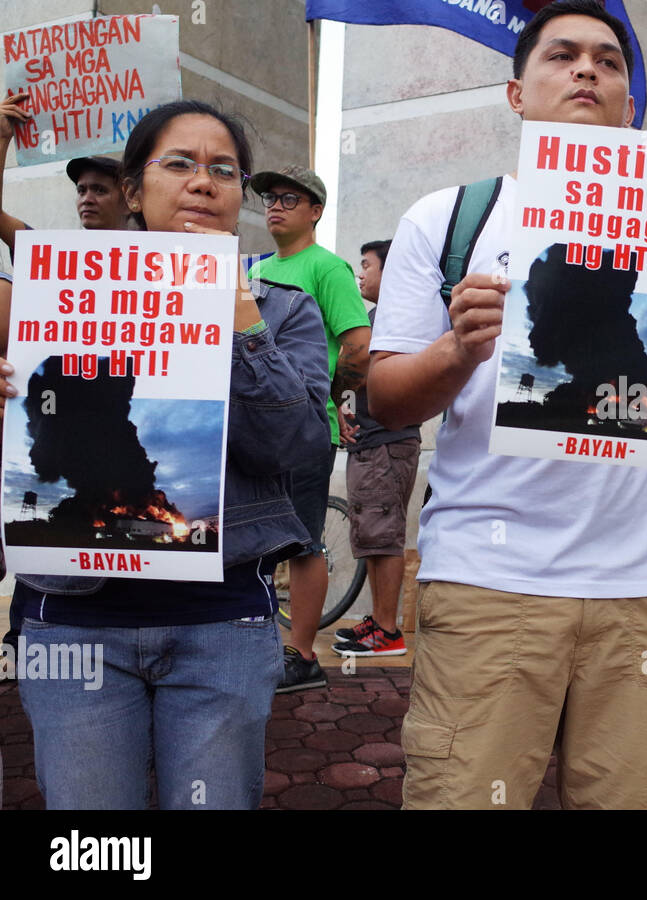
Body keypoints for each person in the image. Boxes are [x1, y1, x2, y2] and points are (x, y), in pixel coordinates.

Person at [367, 0, 647, 809]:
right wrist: (457, 349)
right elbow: (387, 400)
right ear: (516, 93)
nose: (587, 70)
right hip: (487, 581)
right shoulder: (447, 218)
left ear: (629, 100)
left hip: (638, 588)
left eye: (609, 62)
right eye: (562, 55)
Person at [1, 99, 332, 809]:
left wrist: (242, 325)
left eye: (224, 170)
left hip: (222, 627)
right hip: (72, 623)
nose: (202, 182)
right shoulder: (55, 295)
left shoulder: (282, 309)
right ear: (132, 189)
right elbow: (43, 447)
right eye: (178, 163)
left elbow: (293, 445)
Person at [247, 165, 372, 691]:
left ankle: (302, 655)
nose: (275, 205)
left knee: (302, 541)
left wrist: (339, 399)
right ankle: (258, 644)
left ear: (316, 211)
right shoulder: (255, 270)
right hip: (252, 430)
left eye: (290, 198)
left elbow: (359, 346)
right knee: (254, 536)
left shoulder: (328, 268)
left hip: (302, 430)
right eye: (270, 198)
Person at [332, 239, 420, 656]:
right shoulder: (379, 317)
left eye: (367, 265)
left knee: (382, 535)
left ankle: (387, 631)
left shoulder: (398, 319)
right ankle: (379, 622)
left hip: (385, 444)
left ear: (392, 270)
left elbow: (367, 373)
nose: (360, 273)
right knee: (372, 532)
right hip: (375, 443)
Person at [0, 93, 133, 258]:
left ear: (129, 203)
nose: (87, 199)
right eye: (81, 190)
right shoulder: (56, 255)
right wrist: (2, 138)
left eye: (100, 190)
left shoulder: (152, 256)